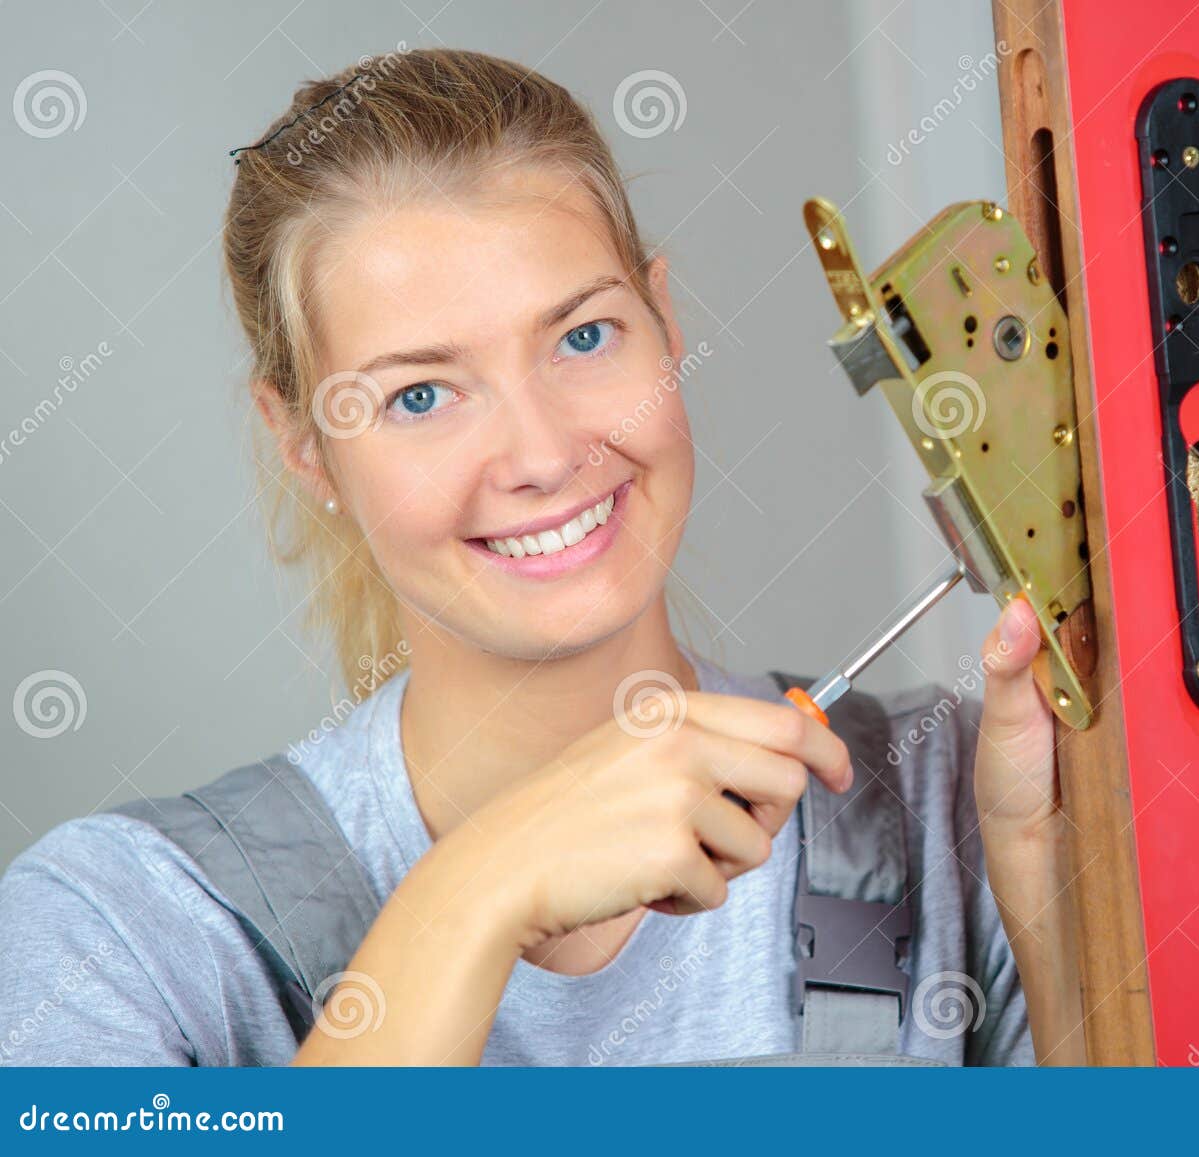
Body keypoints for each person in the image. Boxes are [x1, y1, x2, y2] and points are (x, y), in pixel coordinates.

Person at [0, 48, 1079, 1067]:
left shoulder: (952, 805)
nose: (544, 452)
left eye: (583, 336)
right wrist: (479, 888)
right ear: (303, 446)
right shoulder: (127, 925)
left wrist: (1054, 901)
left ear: (665, 318)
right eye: (419, 395)